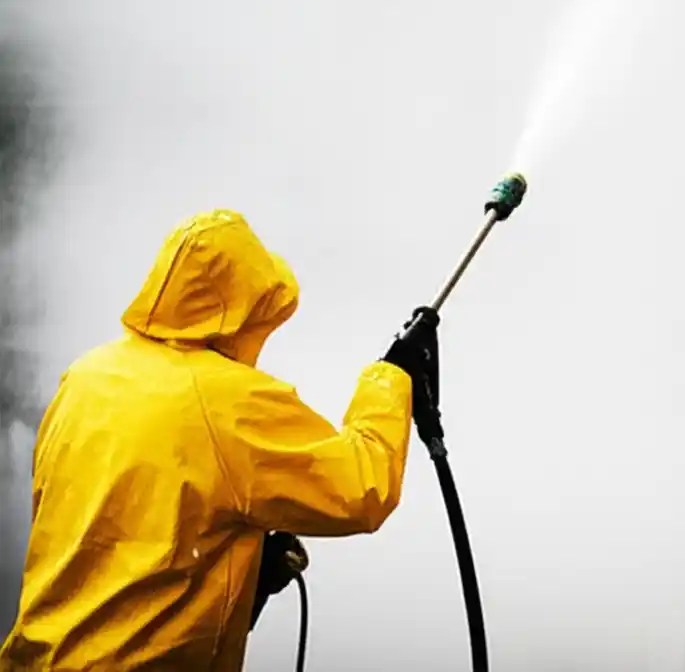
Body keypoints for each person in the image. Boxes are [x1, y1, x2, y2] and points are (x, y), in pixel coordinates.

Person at [0, 209, 442, 671]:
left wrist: (244, 577)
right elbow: (362, 488)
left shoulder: (87, 377)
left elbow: (121, 530)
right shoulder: (226, 403)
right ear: (243, 311)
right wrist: (391, 379)